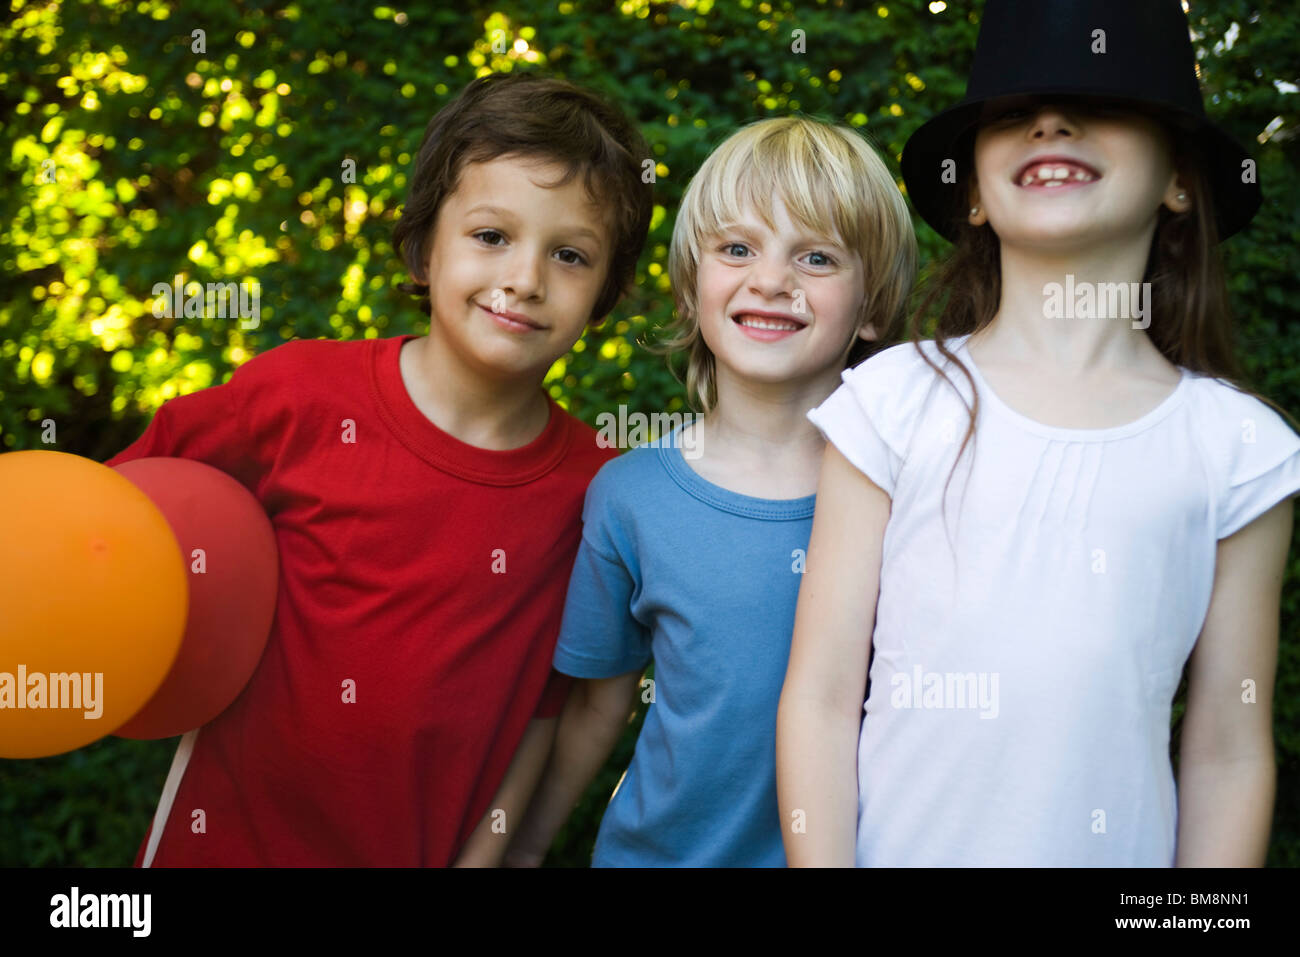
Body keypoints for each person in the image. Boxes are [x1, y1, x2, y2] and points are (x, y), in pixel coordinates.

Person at [779, 0, 1300, 867]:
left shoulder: (1239, 450)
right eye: (1013, 115)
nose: (1050, 123)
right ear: (974, 193)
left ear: (1180, 179)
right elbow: (822, 699)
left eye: (1102, 106)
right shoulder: (892, 400)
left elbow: (1227, 747)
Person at [107, 71, 653, 866]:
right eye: (491, 236)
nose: (526, 279)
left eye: (570, 254)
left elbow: (546, 705)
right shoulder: (297, 395)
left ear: (603, 295)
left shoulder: (595, 493)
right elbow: (104, 524)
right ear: (425, 246)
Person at [505, 116, 916, 866]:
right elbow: (597, 702)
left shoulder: (913, 491)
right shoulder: (629, 496)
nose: (770, 280)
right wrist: (521, 848)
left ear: (875, 307)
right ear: (694, 285)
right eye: (737, 249)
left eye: (817, 256)